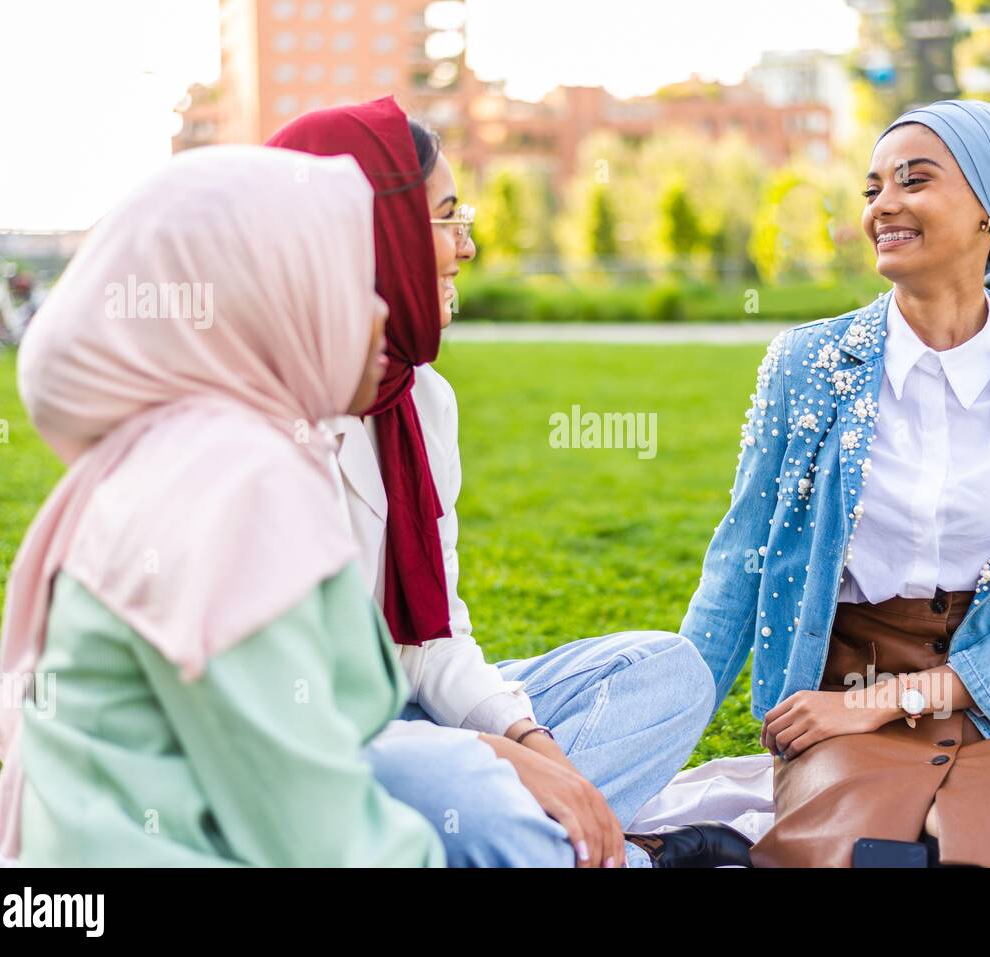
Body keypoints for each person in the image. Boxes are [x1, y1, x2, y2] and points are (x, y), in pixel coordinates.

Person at [267, 97, 740, 868]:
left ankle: (551, 835)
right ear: (370, 233)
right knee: (481, 796)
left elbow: (432, 637)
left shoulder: (420, 399)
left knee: (670, 672)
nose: (467, 247)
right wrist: (495, 759)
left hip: (405, 702)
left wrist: (526, 738)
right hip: (312, 729)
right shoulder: (256, 415)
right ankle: (582, 844)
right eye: (447, 219)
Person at [681, 99, 990, 867]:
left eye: (914, 181)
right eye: (871, 189)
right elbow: (739, 572)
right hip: (839, 697)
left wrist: (884, 703)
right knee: (858, 856)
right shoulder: (804, 365)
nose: (883, 204)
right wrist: (649, 734)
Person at [0, 144, 444, 866]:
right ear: (267, 298)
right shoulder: (235, 483)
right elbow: (325, 841)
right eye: (352, 281)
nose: (383, 310)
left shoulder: (196, 453)